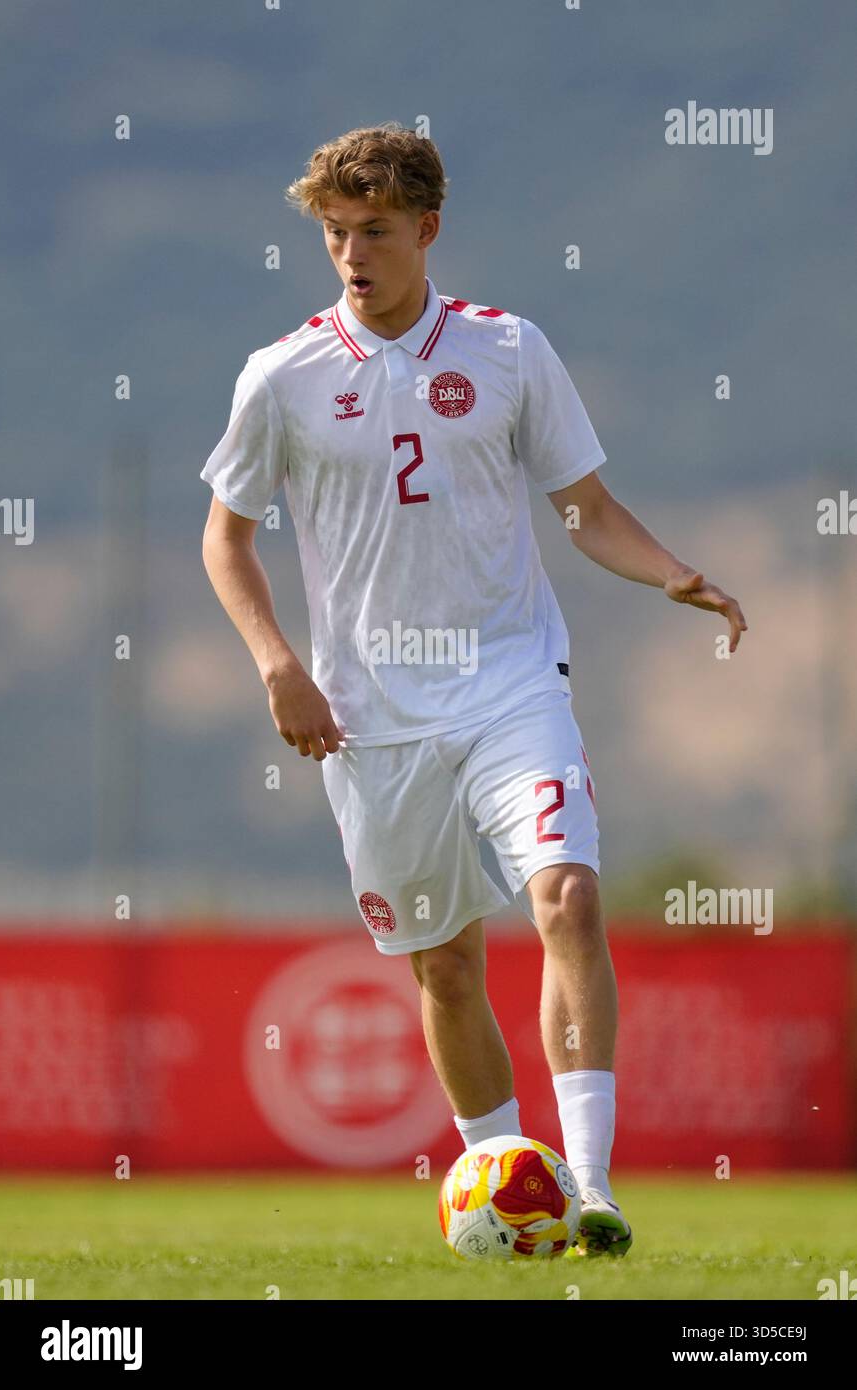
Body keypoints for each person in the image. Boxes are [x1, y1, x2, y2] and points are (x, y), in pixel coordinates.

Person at [200, 123, 747, 1257]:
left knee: (568, 900)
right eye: (336, 235)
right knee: (446, 964)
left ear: (427, 231)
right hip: (369, 723)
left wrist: (673, 573)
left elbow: (584, 509)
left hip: (507, 684)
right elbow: (226, 540)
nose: (353, 254)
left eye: (376, 232)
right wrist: (277, 666)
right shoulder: (280, 377)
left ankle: (588, 1188)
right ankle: (503, 1193)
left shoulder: (505, 349)